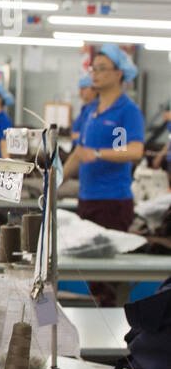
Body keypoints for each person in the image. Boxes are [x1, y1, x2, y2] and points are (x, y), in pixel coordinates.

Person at [65, 44, 145, 234]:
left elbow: (133, 150)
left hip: (112, 202)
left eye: (102, 68)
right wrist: (54, 183)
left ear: (119, 74)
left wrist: (98, 154)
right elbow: (79, 154)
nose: (95, 74)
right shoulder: (91, 111)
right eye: (94, 69)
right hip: (86, 198)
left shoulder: (127, 111)